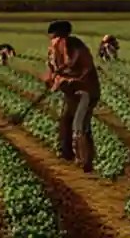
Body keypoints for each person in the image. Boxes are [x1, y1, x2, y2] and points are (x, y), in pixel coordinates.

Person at [42, 21, 100, 173]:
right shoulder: (54, 50)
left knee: (79, 125)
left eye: (55, 38)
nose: (53, 42)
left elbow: (86, 70)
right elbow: (52, 70)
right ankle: (66, 153)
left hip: (85, 91)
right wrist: (51, 81)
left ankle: (85, 161)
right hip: (70, 92)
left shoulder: (76, 48)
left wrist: (69, 81)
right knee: (65, 121)